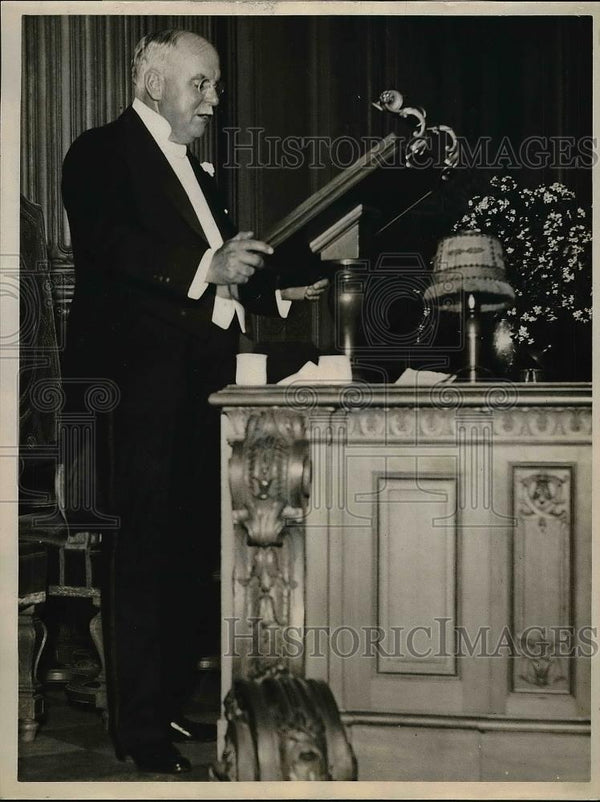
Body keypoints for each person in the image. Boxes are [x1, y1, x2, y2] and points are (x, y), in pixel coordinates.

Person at [61, 29, 327, 775]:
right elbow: (113, 246)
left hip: (204, 376)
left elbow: (221, 272)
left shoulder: (200, 173)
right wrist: (206, 262)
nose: (215, 99)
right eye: (201, 85)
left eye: (214, 86)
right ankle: (138, 729)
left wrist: (272, 286)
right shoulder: (100, 151)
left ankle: (172, 702)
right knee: (143, 551)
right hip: (136, 379)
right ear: (154, 83)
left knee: (189, 546)